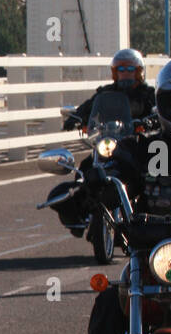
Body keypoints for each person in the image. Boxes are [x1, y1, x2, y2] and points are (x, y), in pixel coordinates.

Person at [73, 55, 171, 334]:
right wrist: (98, 178)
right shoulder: (143, 147)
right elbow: (116, 165)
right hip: (149, 255)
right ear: (164, 104)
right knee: (110, 301)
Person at [50, 48, 158, 234]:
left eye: (130, 69)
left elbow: (159, 111)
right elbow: (89, 106)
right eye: (121, 69)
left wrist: (150, 121)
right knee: (85, 168)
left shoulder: (148, 94)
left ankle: (148, 213)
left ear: (139, 72)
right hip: (109, 141)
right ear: (115, 72)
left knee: (147, 175)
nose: (125, 73)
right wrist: (76, 117)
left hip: (135, 144)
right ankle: (82, 214)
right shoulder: (106, 92)